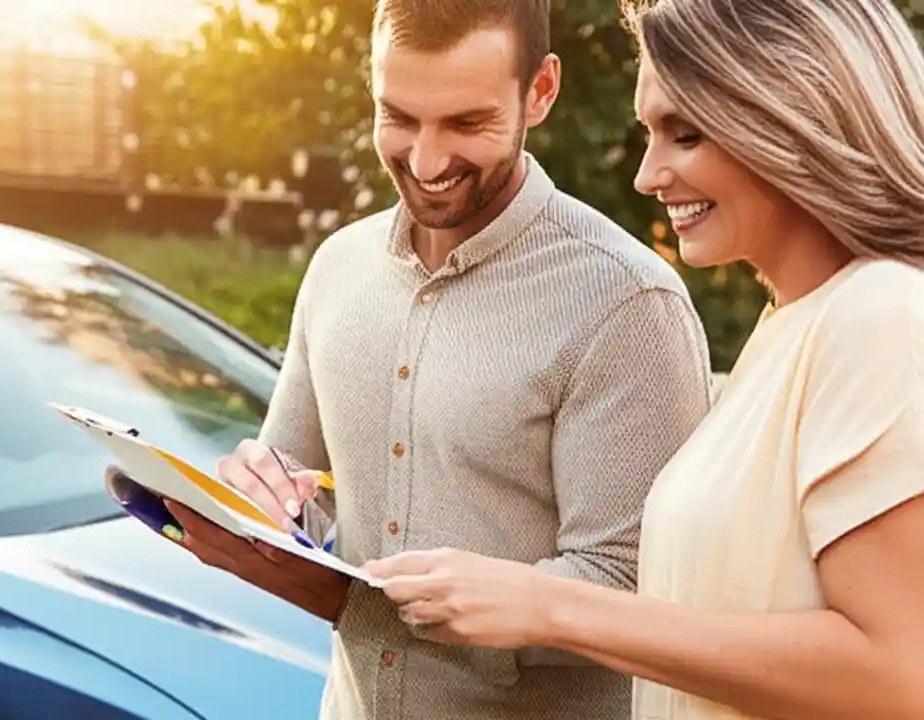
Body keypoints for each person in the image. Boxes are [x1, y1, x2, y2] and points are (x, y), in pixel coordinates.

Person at [363, 0, 924, 718]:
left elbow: (900, 674)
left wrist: (547, 606)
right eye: (649, 133)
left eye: (683, 135)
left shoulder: (877, 314)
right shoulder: (786, 328)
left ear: (793, 120)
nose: (649, 175)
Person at [161, 0, 714, 718]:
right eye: (399, 117)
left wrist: (364, 604)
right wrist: (262, 500)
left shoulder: (626, 303)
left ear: (539, 92)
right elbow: (309, 495)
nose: (426, 162)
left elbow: (636, 592)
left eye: (466, 123)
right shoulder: (337, 268)